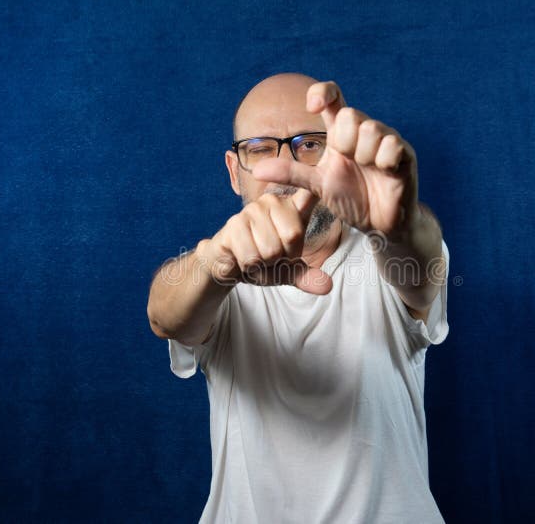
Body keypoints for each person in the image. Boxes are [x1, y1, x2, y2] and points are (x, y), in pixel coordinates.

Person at [147, 73, 450, 523]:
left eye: (310, 143)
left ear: (341, 155)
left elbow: (422, 269)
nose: (288, 165)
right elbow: (165, 314)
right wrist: (219, 264)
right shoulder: (218, 270)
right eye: (261, 147)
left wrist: (400, 224)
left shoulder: (390, 256)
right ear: (235, 172)